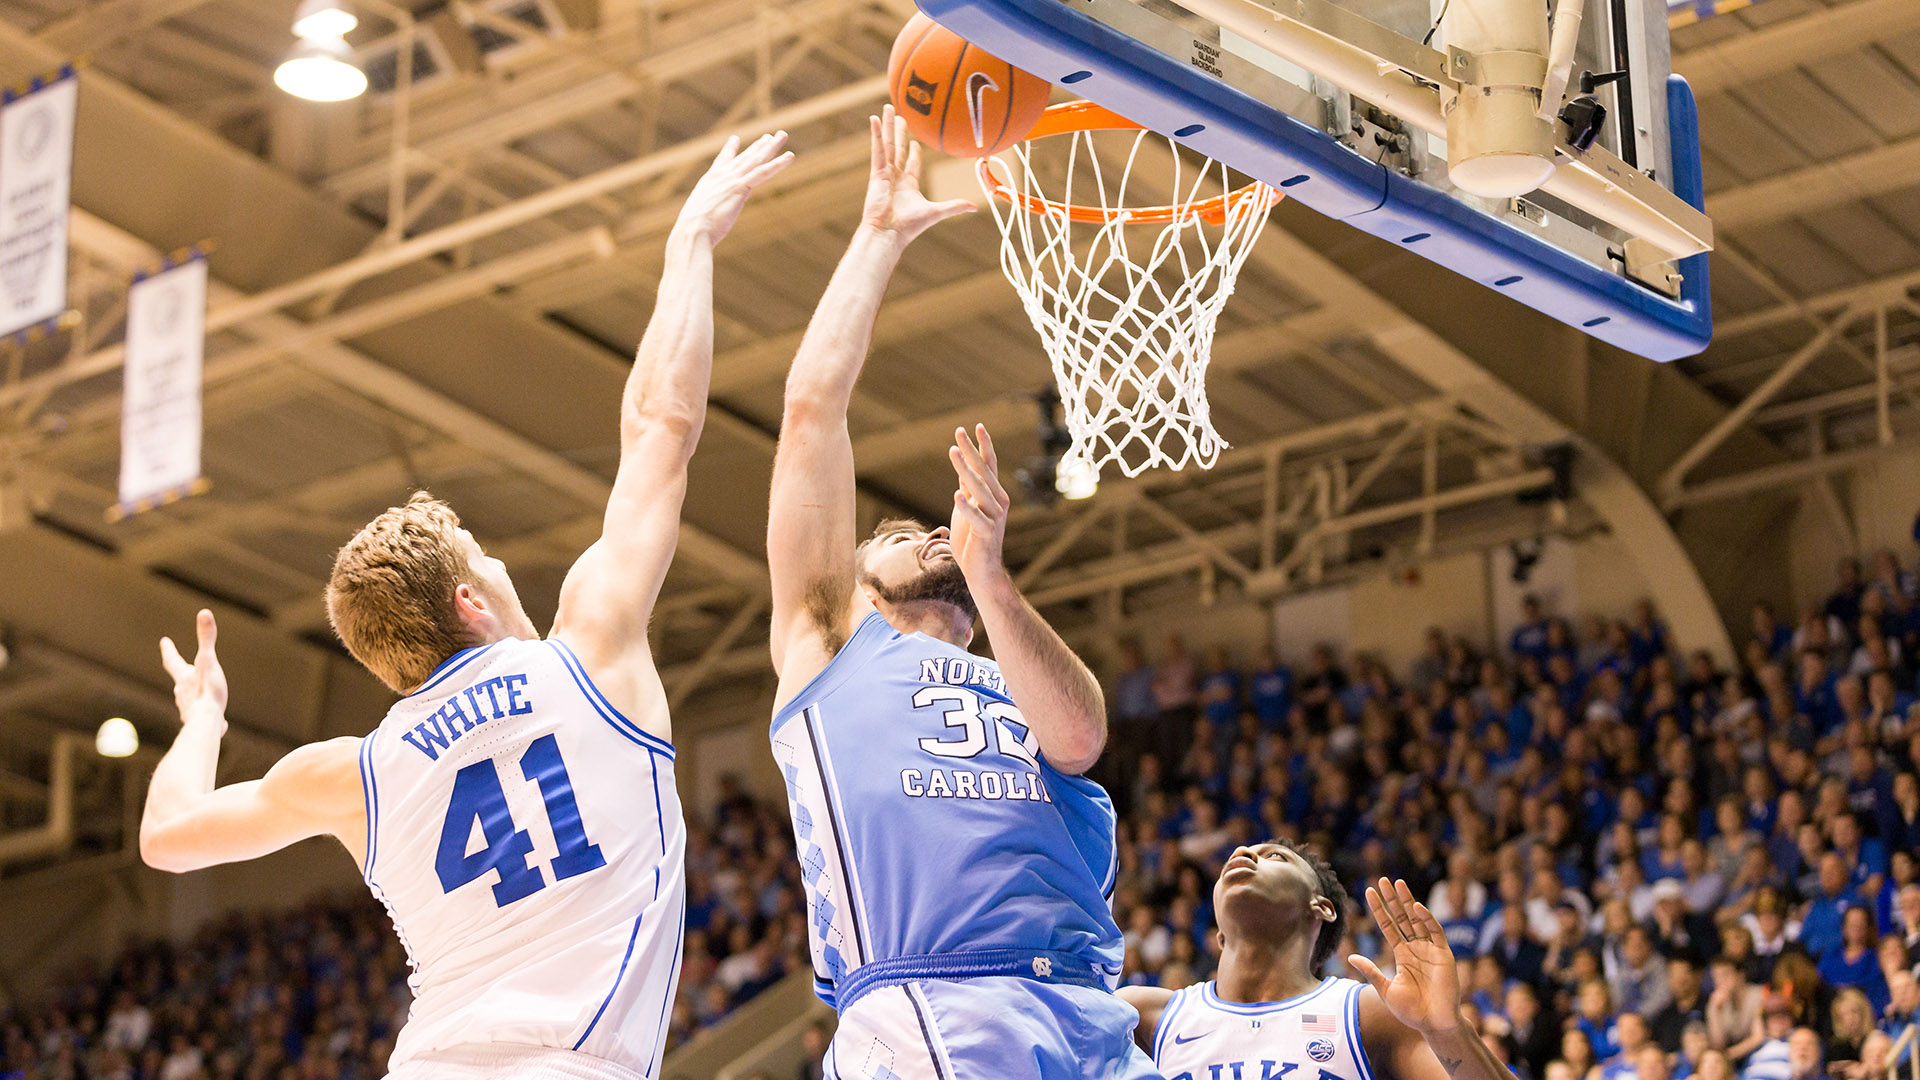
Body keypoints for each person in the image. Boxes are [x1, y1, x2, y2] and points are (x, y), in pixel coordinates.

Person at [133, 133, 795, 1080]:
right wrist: (688, 242)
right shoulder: (592, 650)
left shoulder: (351, 772)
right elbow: (662, 426)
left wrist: (202, 720)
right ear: (471, 599)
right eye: (489, 561)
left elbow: (165, 836)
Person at [762, 107, 1151, 1080]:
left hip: (1086, 1011)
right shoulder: (832, 648)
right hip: (939, 999)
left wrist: (990, 576)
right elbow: (812, 418)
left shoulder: (1010, 661)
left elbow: (1079, 738)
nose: (931, 532)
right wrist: (877, 236)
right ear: (849, 591)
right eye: (898, 537)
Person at [1120, 856, 1508, 1080]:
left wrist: (1448, 1031)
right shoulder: (1143, 1016)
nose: (1245, 853)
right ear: (1219, 933)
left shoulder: (1365, 1014)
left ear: (1320, 906)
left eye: (1275, 856)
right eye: (1238, 854)